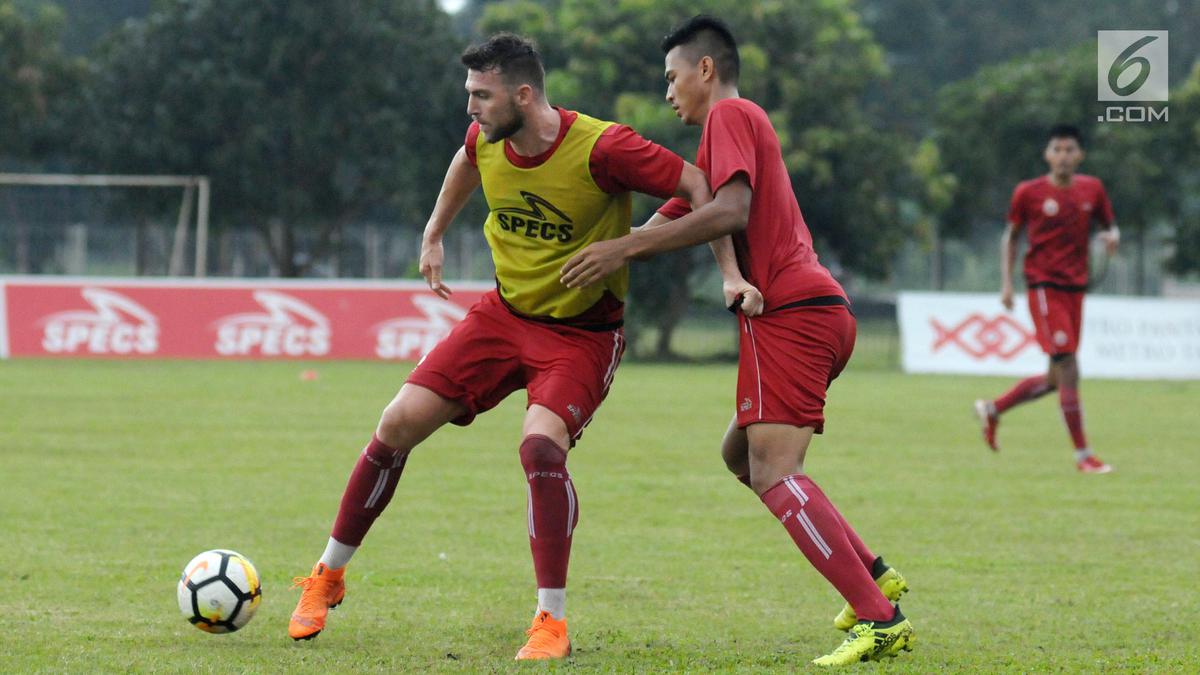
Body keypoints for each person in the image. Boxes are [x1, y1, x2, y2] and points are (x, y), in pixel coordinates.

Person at [287, 32, 750, 660]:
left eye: (482, 95)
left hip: (581, 335)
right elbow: (466, 159)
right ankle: (328, 575)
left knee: (539, 447)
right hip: (502, 317)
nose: (471, 108)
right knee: (395, 424)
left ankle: (550, 620)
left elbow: (700, 186)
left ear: (524, 95)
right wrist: (433, 233)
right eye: (470, 93)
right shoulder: (486, 137)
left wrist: (719, 271)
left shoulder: (604, 147)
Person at [561, 15, 914, 666]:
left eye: (672, 78)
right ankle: (875, 574)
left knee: (775, 470)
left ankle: (878, 617)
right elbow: (684, 212)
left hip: (791, 314)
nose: (668, 93)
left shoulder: (729, 115)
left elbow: (728, 213)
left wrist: (625, 249)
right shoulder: (730, 136)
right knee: (740, 457)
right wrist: (610, 248)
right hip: (814, 311)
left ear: (705, 69)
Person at [973, 124, 1119, 474]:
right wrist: (1007, 285)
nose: (1063, 156)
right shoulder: (1029, 192)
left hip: (1076, 290)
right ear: (1047, 155)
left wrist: (1113, 238)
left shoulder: (1093, 189)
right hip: (1043, 288)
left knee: (1055, 379)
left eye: (1070, 150)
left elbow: (1109, 227)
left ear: (1080, 155)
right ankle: (1084, 457)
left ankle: (993, 409)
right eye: (1057, 150)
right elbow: (1011, 237)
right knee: (1069, 367)